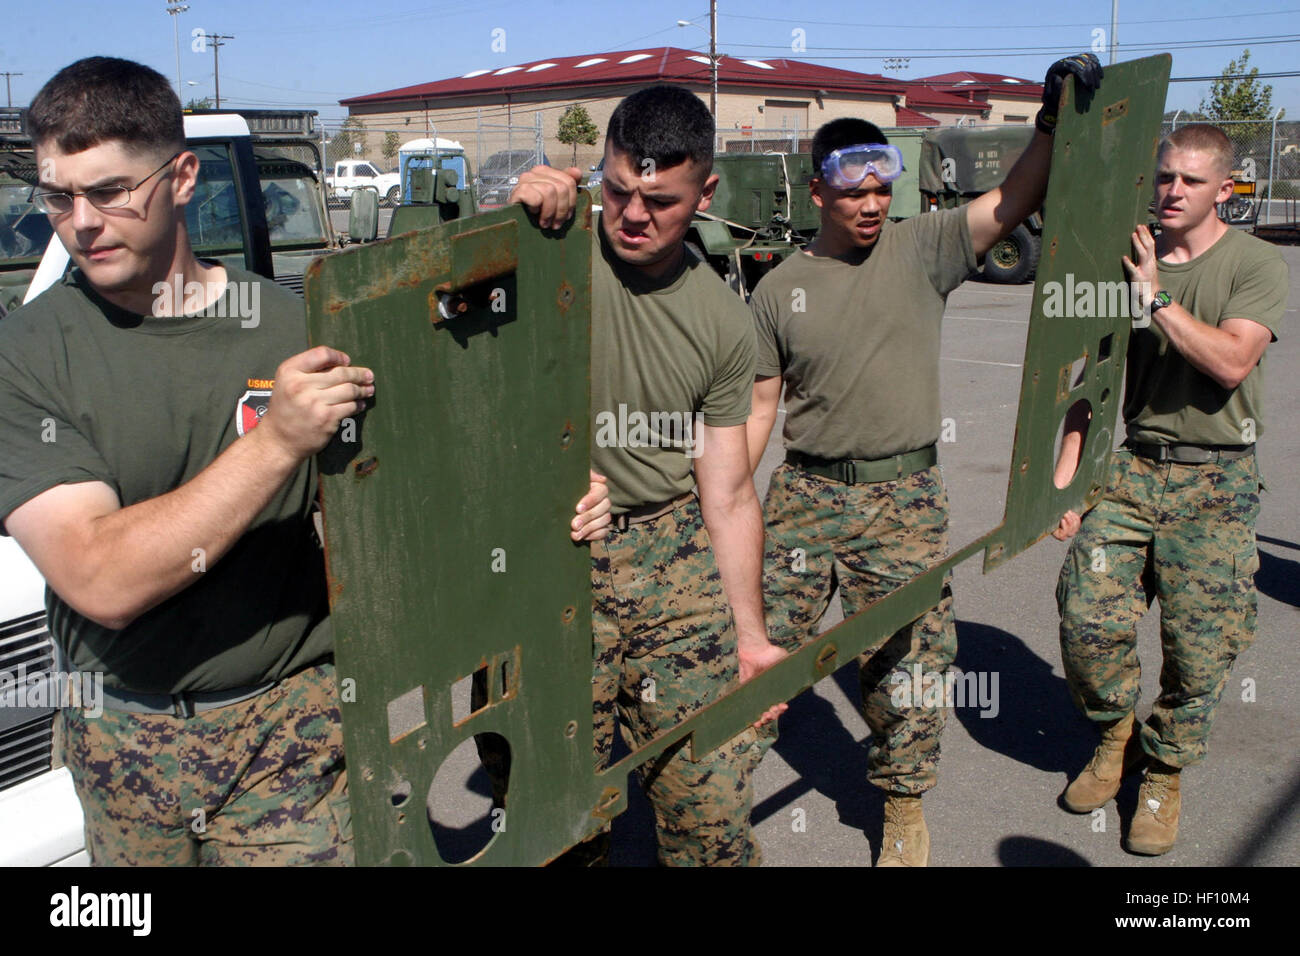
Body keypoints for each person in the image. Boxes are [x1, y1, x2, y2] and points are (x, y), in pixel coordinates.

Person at [0, 56, 609, 866]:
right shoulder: (27, 355)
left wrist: (553, 493)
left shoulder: (295, 328)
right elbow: (99, 579)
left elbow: (424, 494)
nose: (81, 222)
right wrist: (277, 442)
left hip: (289, 732)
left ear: (182, 177)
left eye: (111, 191)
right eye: (58, 197)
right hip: (124, 743)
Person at [745, 55, 1103, 867]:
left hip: (903, 497)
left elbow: (1016, 198)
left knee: (910, 662)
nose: (873, 204)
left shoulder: (923, 249)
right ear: (817, 192)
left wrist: (1050, 119)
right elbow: (761, 411)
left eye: (883, 189)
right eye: (855, 192)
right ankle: (721, 802)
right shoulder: (777, 289)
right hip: (803, 498)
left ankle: (902, 805)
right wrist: (728, 507)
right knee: (760, 653)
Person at [510, 84, 787, 866]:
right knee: (554, 817)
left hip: (671, 558)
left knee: (712, 808)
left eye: (660, 201)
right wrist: (508, 218)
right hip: (548, 561)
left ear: (706, 193)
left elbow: (727, 494)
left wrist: (751, 637)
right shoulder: (546, 251)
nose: (632, 215)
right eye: (617, 190)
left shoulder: (723, 321)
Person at [1052, 123, 1286, 856]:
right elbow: (1089, 381)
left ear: (1225, 188)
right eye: (1164, 177)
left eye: (1191, 180)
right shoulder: (1126, 259)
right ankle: (1115, 735)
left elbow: (1231, 362)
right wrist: (1064, 482)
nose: (1173, 191)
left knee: (1198, 647)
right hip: (1132, 469)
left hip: (1216, 480)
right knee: (1086, 619)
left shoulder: (1254, 263)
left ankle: (1164, 773)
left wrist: (1154, 298)